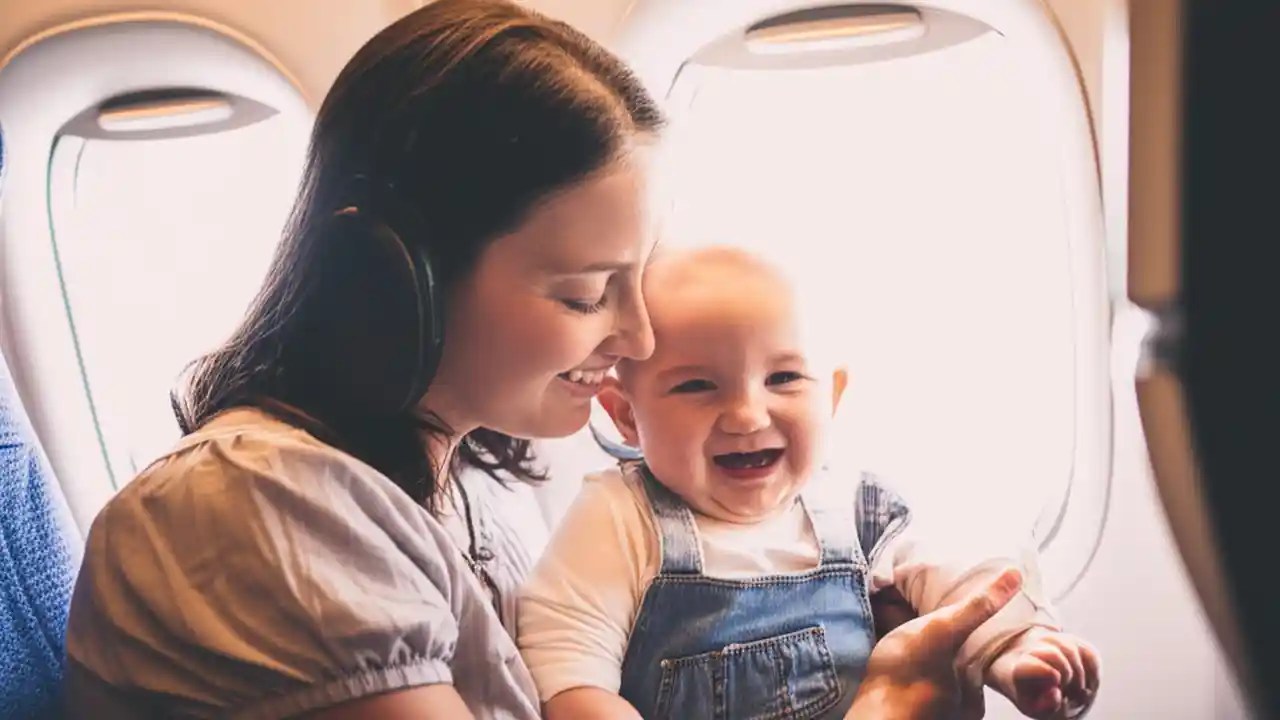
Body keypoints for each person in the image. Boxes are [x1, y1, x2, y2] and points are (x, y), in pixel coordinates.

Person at [61, 2, 1074, 718]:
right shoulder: (254, 513)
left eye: (638, 280)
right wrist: (890, 699)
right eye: (586, 293)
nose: (635, 338)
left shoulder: (471, 489)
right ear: (396, 275)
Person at [518, 247, 1101, 719]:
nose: (747, 415)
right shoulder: (620, 517)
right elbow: (566, 670)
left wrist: (1016, 651)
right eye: (696, 387)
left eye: (785, 377)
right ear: (626, 416)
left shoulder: (856, 507)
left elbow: (958, 575)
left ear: (833, 394)